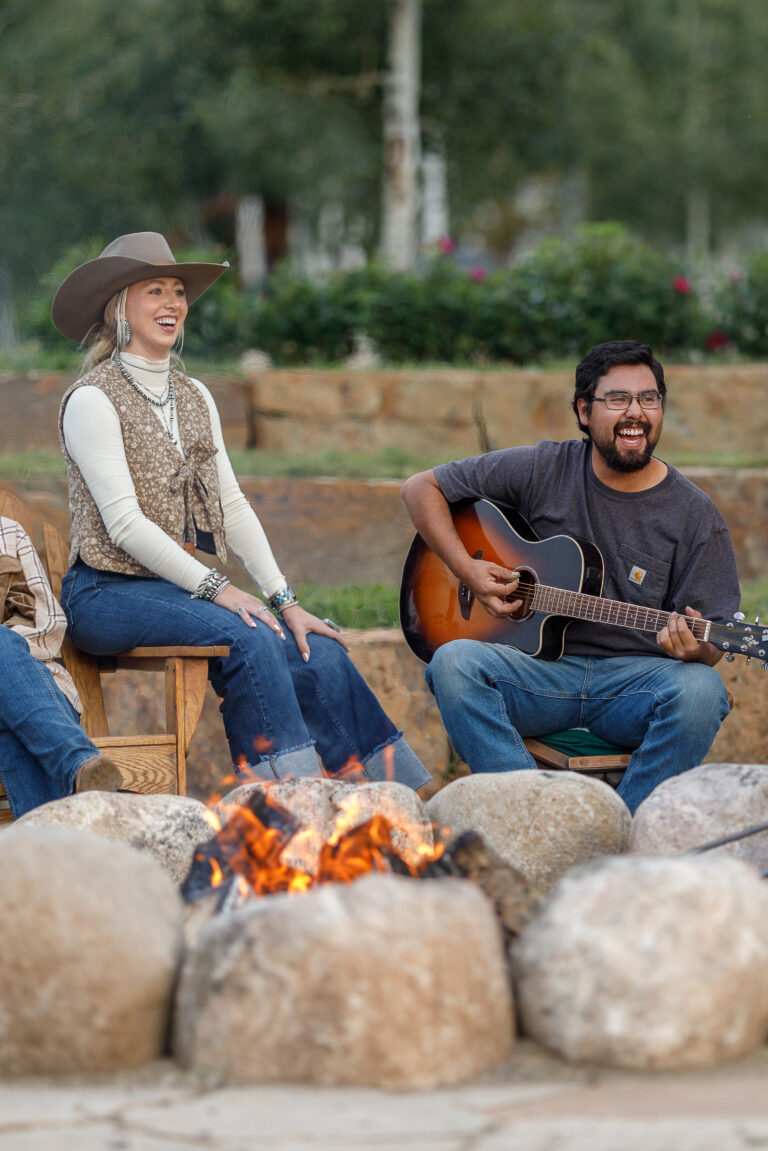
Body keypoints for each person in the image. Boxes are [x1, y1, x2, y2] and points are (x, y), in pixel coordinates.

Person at [51, 232, 429, 790]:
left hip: (174, 588)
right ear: (119, 307)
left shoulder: (195, 396)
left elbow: (230, 504)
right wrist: (217, 589)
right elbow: (125, 524)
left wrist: (286, 600)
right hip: (104, 594)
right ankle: (281, 801)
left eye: (178, 291)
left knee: (310, 643)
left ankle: (393, 791)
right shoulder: (92, 399)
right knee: (246, 634)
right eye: (154, 290)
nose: (173, 303)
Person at [400, 339, 740, 813]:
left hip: (631, 686)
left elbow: (712, 644)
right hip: (536, 673)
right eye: (617, 399)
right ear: (584, 411)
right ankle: (529, 813)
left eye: (649, 398)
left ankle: (624, 832)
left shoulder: (694, 514)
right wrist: (468, 570)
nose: (635, 413)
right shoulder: (544, 467)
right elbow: (421, 488)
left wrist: (699, 649)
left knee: (702, 693)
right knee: (454, 664)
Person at [0, 514, 123, 817]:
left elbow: (45, 628)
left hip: (30, 681)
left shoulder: (6, 533)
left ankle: (43, 858)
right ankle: (78, 764)